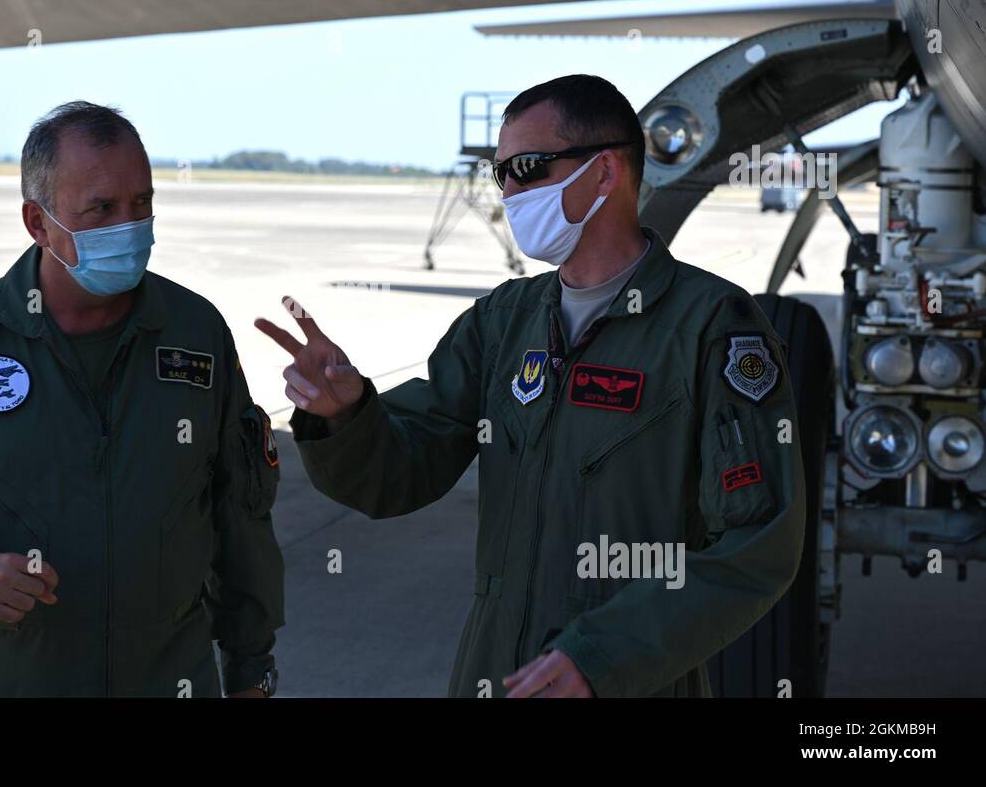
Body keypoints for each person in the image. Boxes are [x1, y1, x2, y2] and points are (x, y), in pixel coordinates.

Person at [255, 75, 805, 697]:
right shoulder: (502, 323)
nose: (510, 192)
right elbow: (402, 470)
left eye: (529, 167)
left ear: (605, 173)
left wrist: (602, 657)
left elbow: (756, 546)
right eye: (501, 174)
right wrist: (346, 415)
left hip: (628, 683)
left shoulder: (712, 327)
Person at [0, 101, 284, 697]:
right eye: (101, 208)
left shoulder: (195, 336)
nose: (130, 226)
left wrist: (252, 669)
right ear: (38, 223)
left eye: (142, 204)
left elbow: (239, 513)